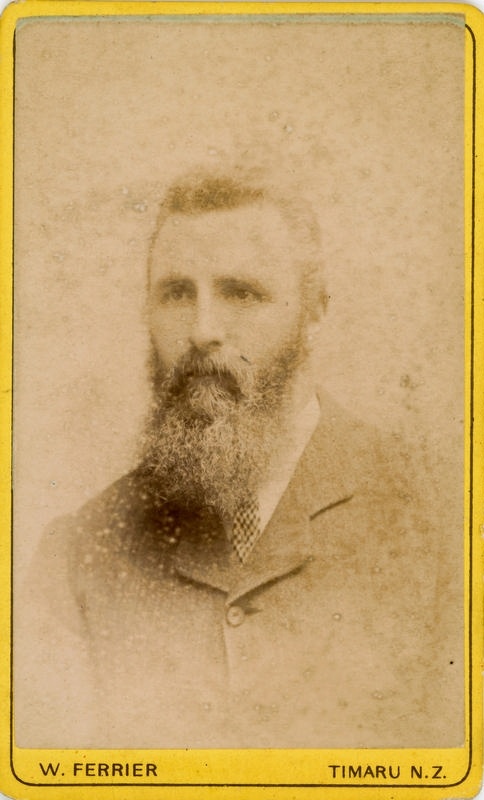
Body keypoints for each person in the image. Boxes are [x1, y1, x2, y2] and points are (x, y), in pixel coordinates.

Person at [15, 170, 462, 749]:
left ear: (316, 311)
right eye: (177, 293)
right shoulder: (82, 552)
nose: (202, 330)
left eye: (241, 293)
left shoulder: (442, 520)